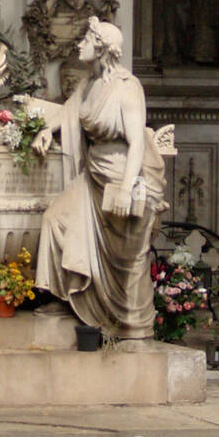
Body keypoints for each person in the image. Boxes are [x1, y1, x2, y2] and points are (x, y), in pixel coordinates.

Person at [33, 17, 168, 338]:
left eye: (86, 40)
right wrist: (45, 130)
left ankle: (130, 325)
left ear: (102, 48)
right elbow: (69, 111)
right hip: (93, 175)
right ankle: (66, 296)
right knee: (55, 220)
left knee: (125, 259)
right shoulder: (89, 83)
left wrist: (124, 189)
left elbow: (136, 142)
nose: (79, 45)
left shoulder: (127, 87)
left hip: (121, 173)